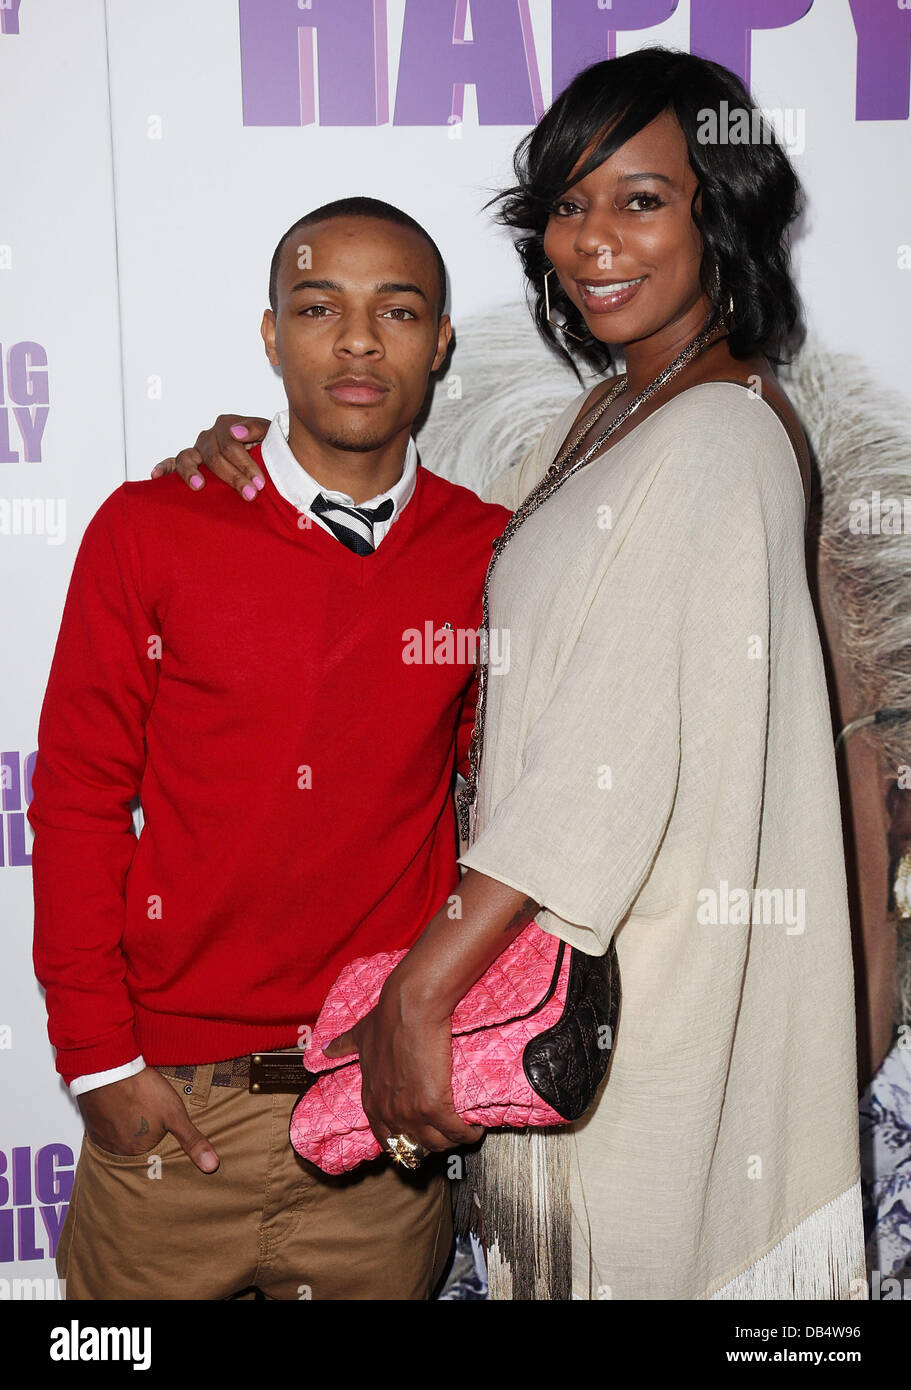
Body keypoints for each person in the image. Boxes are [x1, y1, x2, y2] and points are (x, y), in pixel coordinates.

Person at [160, 49, 867, 1301]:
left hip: (648, 1005)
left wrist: (417, 996)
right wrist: (258, 463)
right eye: (566, 203)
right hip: (579, 985)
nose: (591, 239)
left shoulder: (710, 435)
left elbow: (611, 765)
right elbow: (456, 570)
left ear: (721, 207)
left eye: (639, 199)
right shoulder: (613, 414)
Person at [29, 196, 510, 1300]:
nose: (354, 339)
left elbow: (506, 802)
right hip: (171, 1116)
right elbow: (78, 799)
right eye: (316, 306)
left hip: (377, 1114)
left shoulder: (487, 552)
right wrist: (98, 1059)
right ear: (268, 334)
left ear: (438, 342)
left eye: (395, 310)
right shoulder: (152, 526)